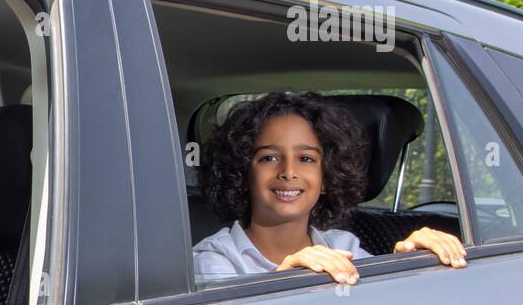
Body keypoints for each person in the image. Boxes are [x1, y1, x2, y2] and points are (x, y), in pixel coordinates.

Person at [192, 91, 467, 283]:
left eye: (306, 159)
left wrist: (410, 261)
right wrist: (287, 278)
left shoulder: (342, 245)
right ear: (241, 174)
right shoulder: (214, 259)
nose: (288, 172)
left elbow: (379, 303)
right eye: (269, 158)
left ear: (326, 178)